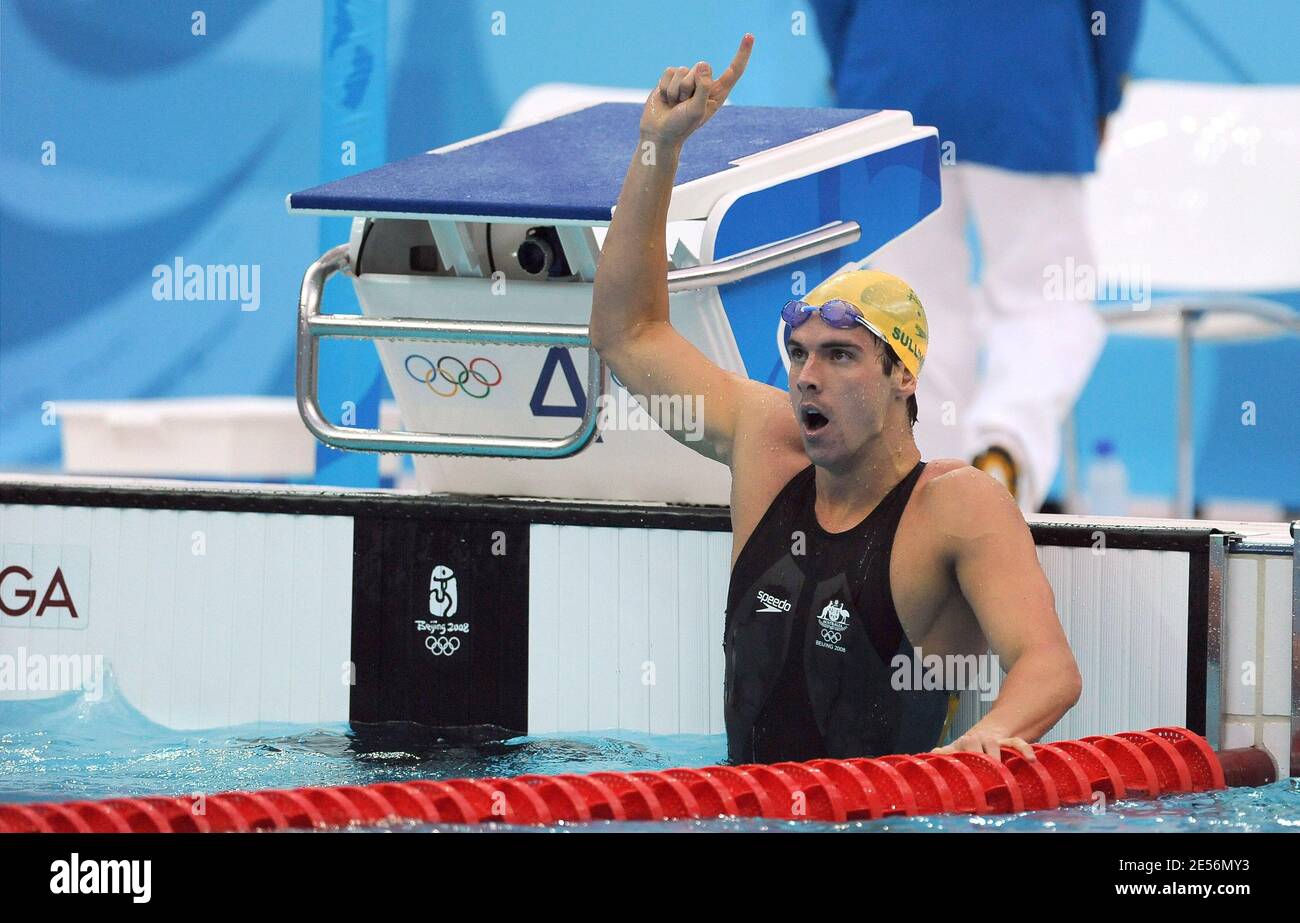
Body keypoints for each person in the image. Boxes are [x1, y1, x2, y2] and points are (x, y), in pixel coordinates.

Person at [590, 35, 1081, 763]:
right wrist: (658, 147)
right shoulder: (766, 445)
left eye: (841, 355)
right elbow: (628, 333)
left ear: (902, 376)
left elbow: (1048, 667)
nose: (807, 376)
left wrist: (984, 743)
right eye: (798, 354)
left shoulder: (955, 506)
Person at [811, 1, 1144, 515]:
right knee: (1045, 299)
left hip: (891, 72)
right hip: (1035, 77)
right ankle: (1005, 448)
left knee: (907, 308)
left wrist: (854, 71)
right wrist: (1102, 92)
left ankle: (927, 494)